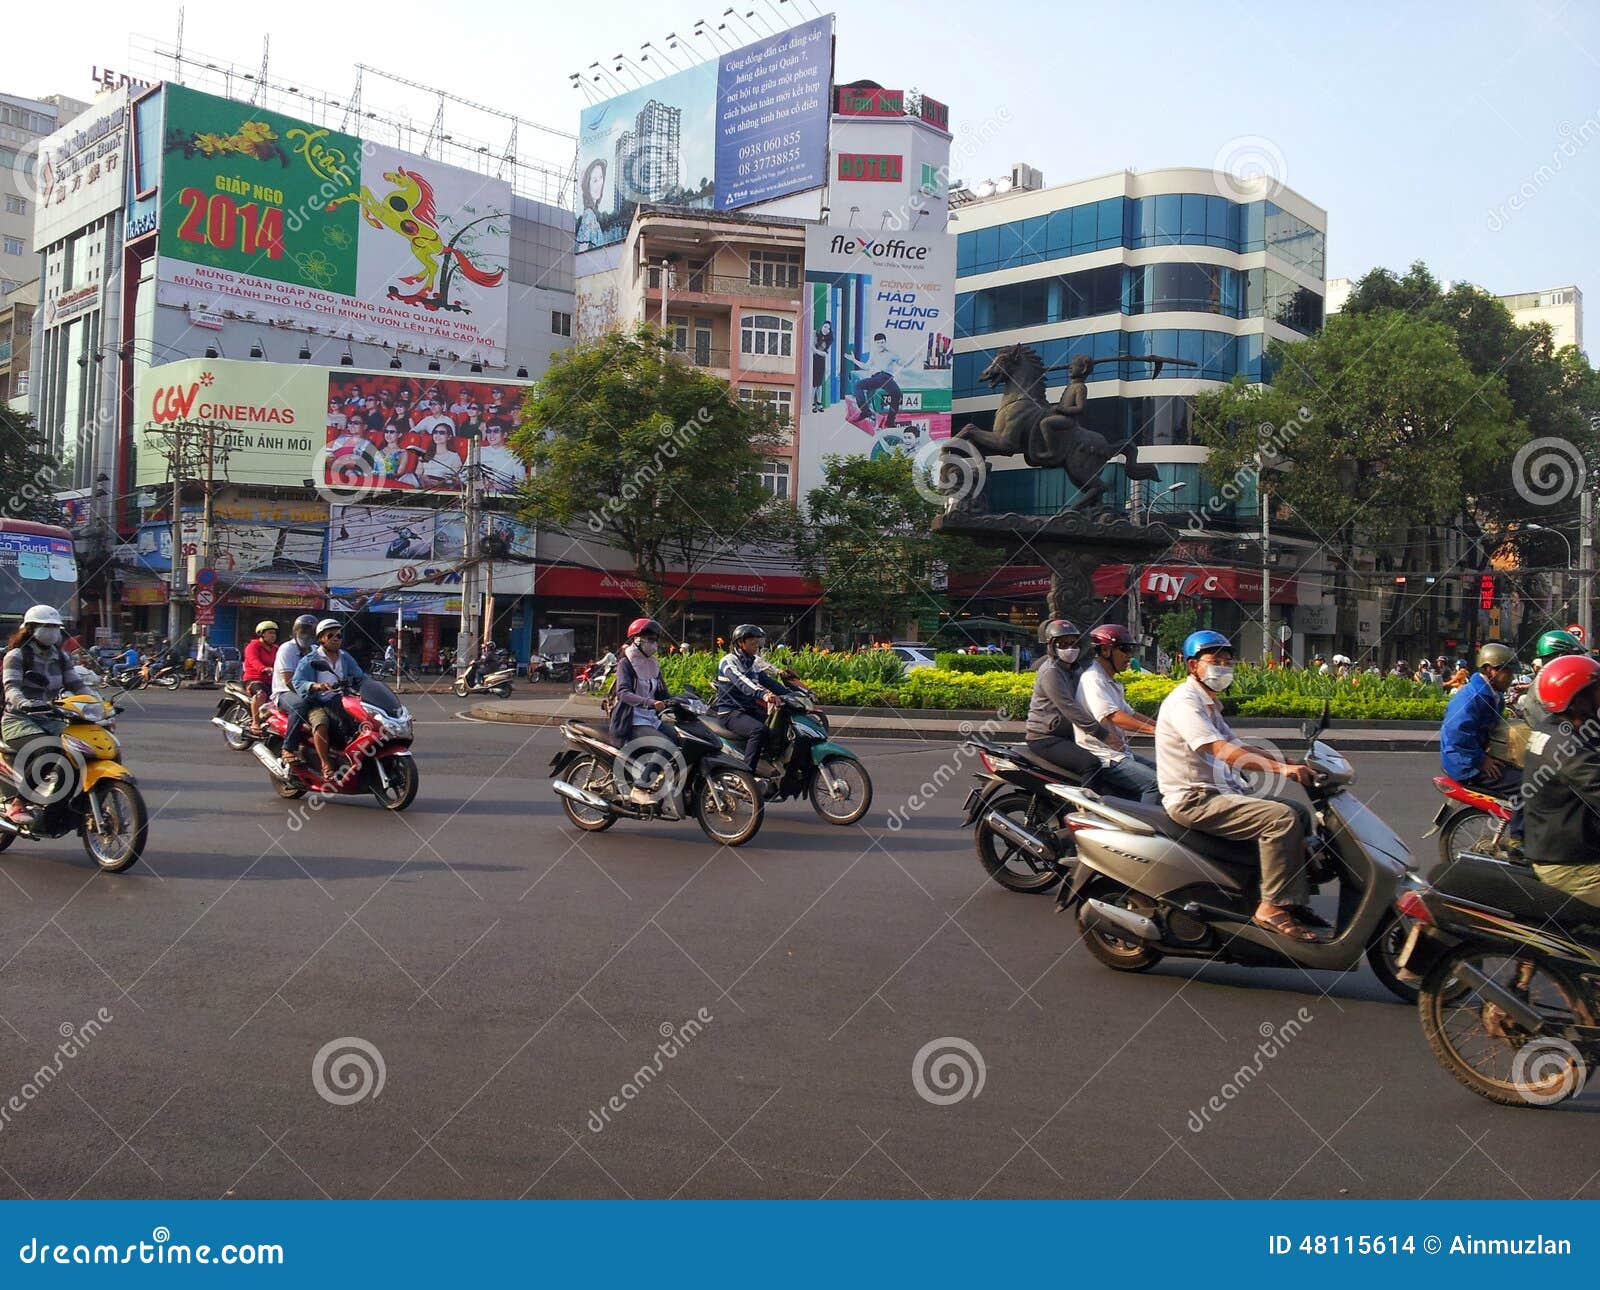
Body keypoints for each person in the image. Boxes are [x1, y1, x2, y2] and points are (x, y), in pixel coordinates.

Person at [1155, 630, 1322, 943]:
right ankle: (1271, 907)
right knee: (1281, 819)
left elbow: (1239, 746)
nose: (1222, 667)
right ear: (1193, 666)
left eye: (1227, 662)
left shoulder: (1209, 704)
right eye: (1214, 661)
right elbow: (1222, 751)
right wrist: (1281, 770)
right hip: (1195, 799)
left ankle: (1292, 901)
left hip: (1218, 793)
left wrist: (1288, 760)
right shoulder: (1184, 703)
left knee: (1298, 812)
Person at [1, 606, 91, 825]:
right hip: (19, 719)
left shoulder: (60, 656)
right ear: (31, 628)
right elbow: (11, 688)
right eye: (47, 626)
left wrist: (97, 703)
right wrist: (24, 703)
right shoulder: (17, 655)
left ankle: (64, 804)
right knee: (50, 748)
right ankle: (19, 804)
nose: (52, 631)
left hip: (52, 717)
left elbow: (77, 685)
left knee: (86, 747)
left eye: (55, 627)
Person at [1522, 655, 1600, 907]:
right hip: (1570, 865)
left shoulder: (1552, 728)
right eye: (1596, 690)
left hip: (1556, 845)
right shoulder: (1566, 748)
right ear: (1578, 699)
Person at [1440, 641, 1523, 851]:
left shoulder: (1492, 694)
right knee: (1528, 786)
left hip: (1476, 757)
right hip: (1466, 764)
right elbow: (1456, 733)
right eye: (1507, 671)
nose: (1511, 676)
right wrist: (1481, 759)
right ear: (1489, 669)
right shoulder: (1472, 697)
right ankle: (1519, 843)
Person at [1073, 624, 1161, 803]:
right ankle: (1141, 821)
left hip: (1119, 753)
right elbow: (1114, 716)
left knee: (1166, 775)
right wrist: (1154, 731)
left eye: (1130, 650)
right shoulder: (1093, 679)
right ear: (1105, 650)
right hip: (1104, 757)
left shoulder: (1110, 682)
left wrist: (1163, 727)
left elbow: (1131, 714)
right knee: (1155, 783)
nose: (1129, 656)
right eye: (1124, 649)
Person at [1024, 619, 1107, 781]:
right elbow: (1069, 707)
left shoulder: (1076, 670)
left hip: (1069, 735)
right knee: (1091, 764)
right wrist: (1101, 733)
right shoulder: (1051, 672)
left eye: (1073, 643)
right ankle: (1085, 798)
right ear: (1051, 646)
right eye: (1063, 644)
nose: (1070, 648)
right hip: (1046, 738)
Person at [292, 619, 367, 781]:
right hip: (318, 702)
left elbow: (360, 676)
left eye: (339, 636)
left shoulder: (345, 657)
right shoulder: (310, 659)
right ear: (321, 638)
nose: (335, 639)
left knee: (363, 719)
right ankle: (326, 764)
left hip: (342, 700)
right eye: (330, 635)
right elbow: (297, 682)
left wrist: (373, 687)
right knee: (321, 724)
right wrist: (316, 686)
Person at [609, 617, 673, 804]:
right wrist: (649, 703)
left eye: (655, 640)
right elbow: (623, 693)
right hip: (633, 719)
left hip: (651, 718)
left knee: (679, 740)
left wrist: (684, 701)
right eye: (649, 639)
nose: (653, 644)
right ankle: (641, 788)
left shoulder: (653, 663)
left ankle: (664, 781)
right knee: (665, 746)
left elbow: (663, 692)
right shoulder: (626, 663)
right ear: (636, 639)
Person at [713, 624, 790, 769]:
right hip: (730, 713)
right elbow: (741, 681)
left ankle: (769, 764)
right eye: (752, 642)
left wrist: (797, 695)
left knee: (779, 727)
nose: (757, 645)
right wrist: (763, 694)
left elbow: (770, 683)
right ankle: (747, 771)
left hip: (749, 710)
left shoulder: (752, 663)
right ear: (740, 643)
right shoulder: (728, 661)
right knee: (758, 730)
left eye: (757, 642)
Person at [273, 614, 319, 767]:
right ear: (295, 631)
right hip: (285, 692)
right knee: (300, 705)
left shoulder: (315, 650)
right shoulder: (287, 649)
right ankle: (288, 748)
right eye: (303, 631)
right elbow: (289, 681)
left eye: (310, 632)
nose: (306, 635)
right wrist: (309, 694)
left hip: (311, 690)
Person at [1522, 629, 1585, 723]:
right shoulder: (1551, 685)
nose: (1579, 660)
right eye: (1576, 655)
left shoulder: (1548, 680)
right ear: (1562, 657)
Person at [242, 620, 278, 736]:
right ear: (261, 634)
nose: (273, 636)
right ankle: (255, 722)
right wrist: (264, 668)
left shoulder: (276, 648)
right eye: (270, 633)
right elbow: (253, 660)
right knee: (261, 694)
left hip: (271, 681)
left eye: (274, 633)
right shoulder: (253, 646)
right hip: (254, 679)